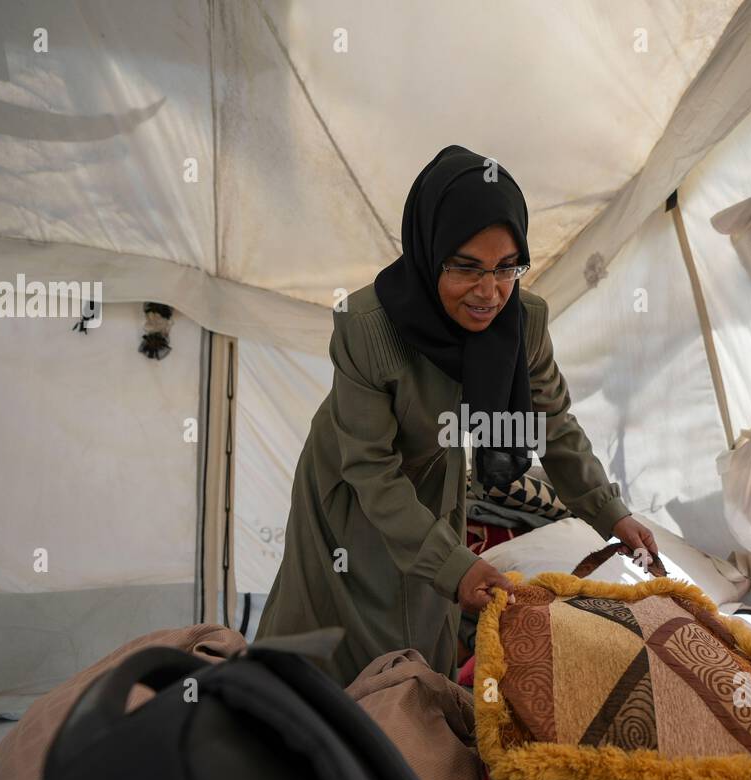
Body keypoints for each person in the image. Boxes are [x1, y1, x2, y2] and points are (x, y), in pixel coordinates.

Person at [254, 145, 657, 685]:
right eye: (466, 268)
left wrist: (611, 513)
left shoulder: (525, 322)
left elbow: (554, 426)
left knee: (425, 622)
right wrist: (456, 566)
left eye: (506, 268)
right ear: (429, 251)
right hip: (350, 482)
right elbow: (372, 469)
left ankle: (412, 736)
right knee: (339, 625)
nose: (489, 293)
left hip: (436, 471)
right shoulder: (366, 327)